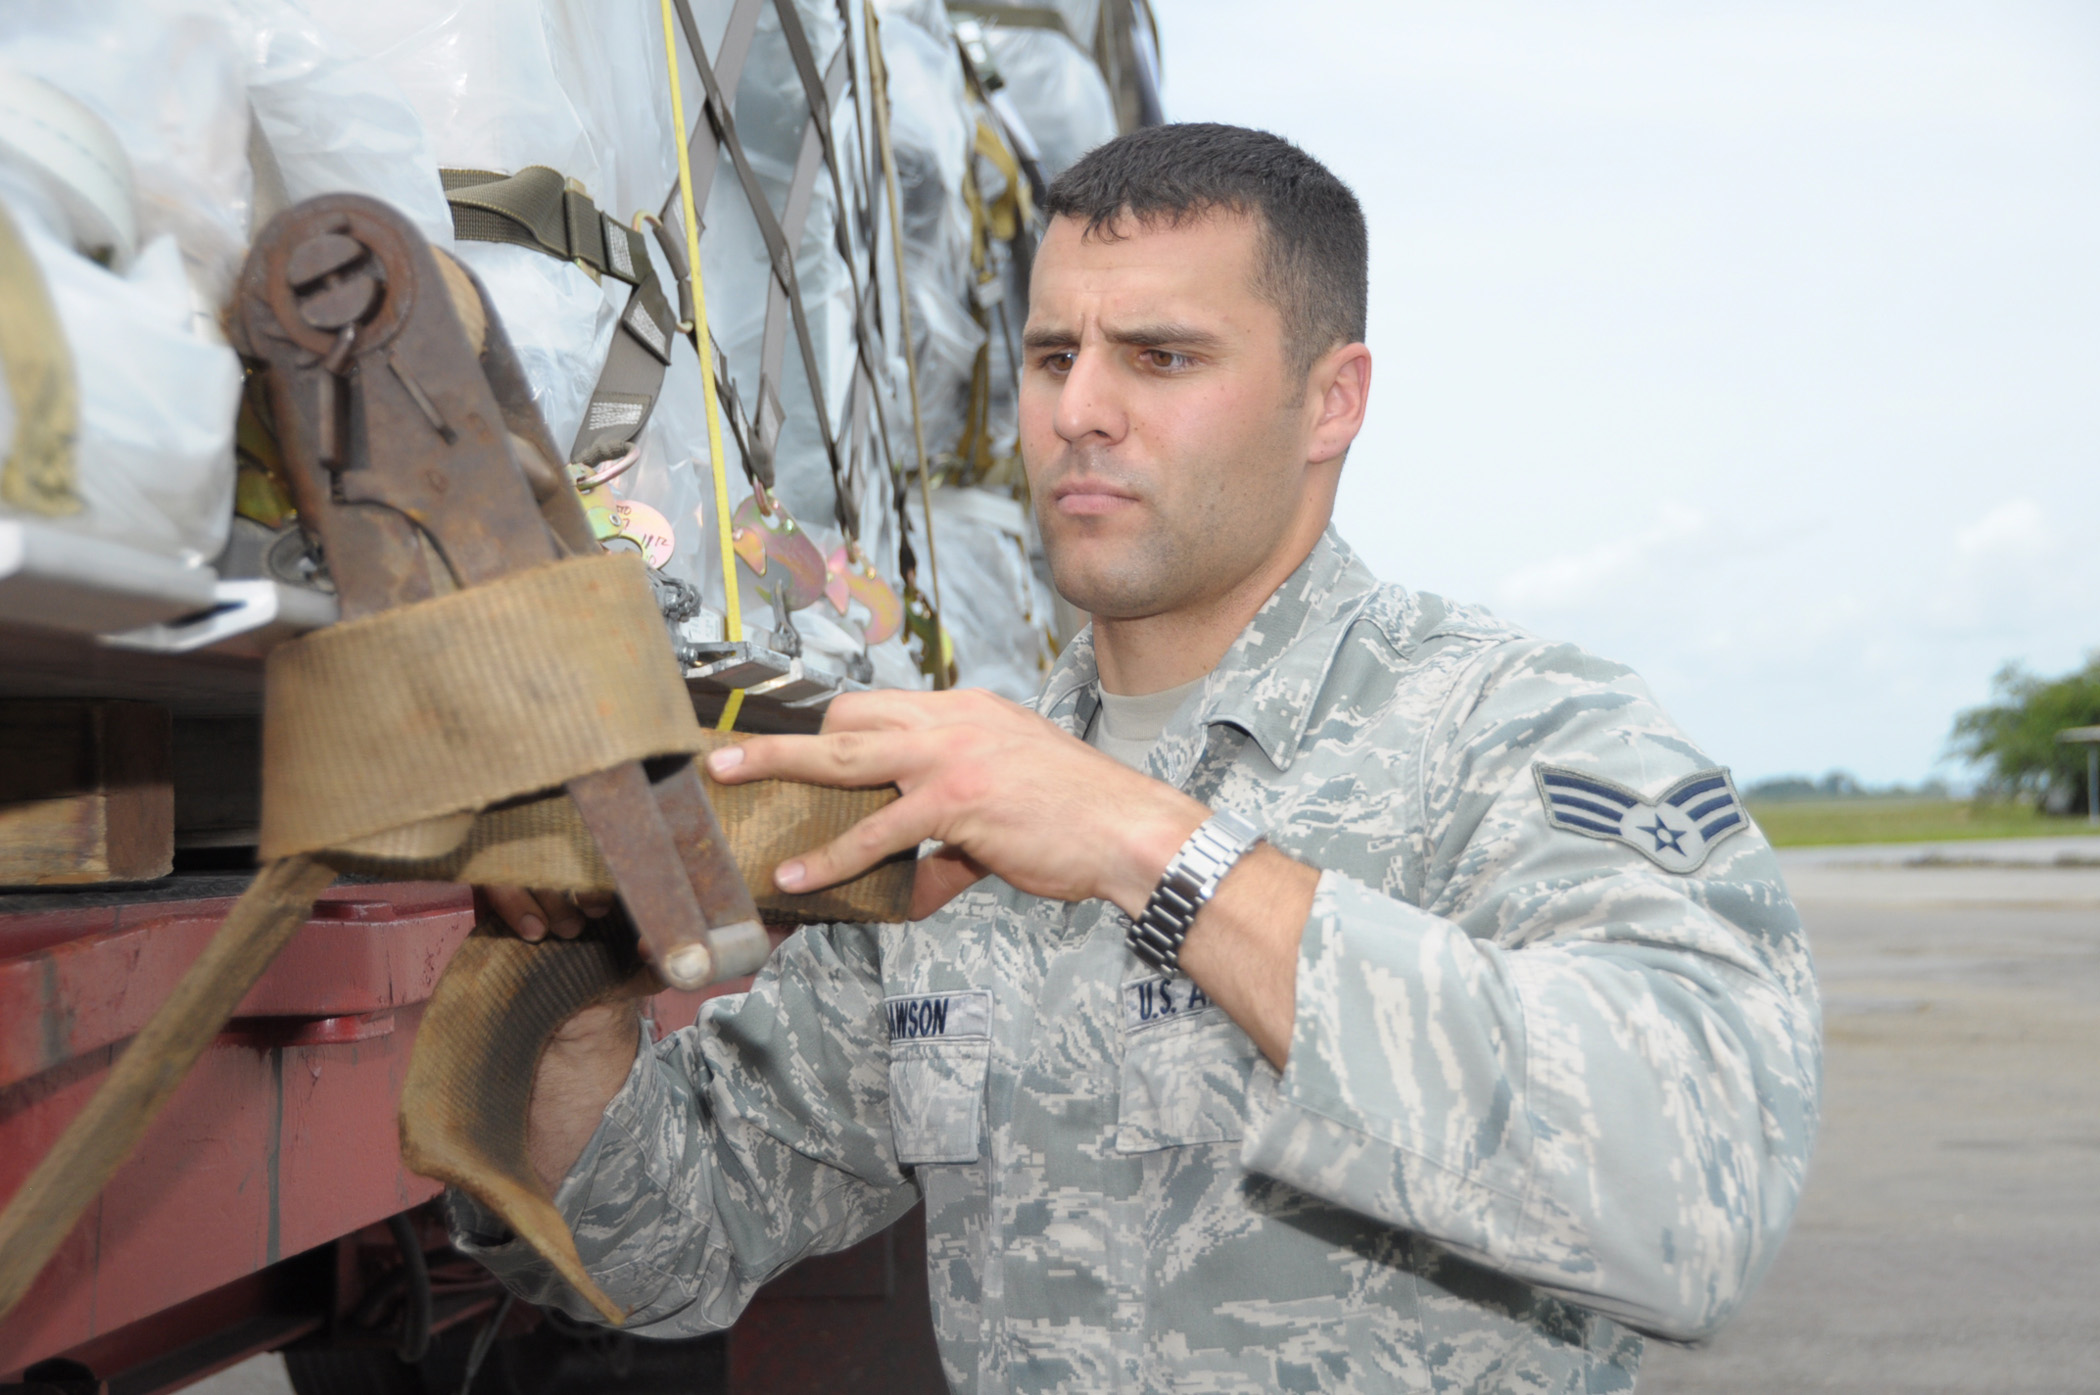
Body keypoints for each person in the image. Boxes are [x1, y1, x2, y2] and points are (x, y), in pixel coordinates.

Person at [468, 122, 1821, 1393]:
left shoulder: (1516, 735)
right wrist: (583, 1010)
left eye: (1163, 357)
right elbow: (663, 1252)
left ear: (1331, 400)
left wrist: (1149, 845)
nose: (1083, 412)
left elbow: (1691, 1210)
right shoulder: (958, 799)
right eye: (1055, 357)